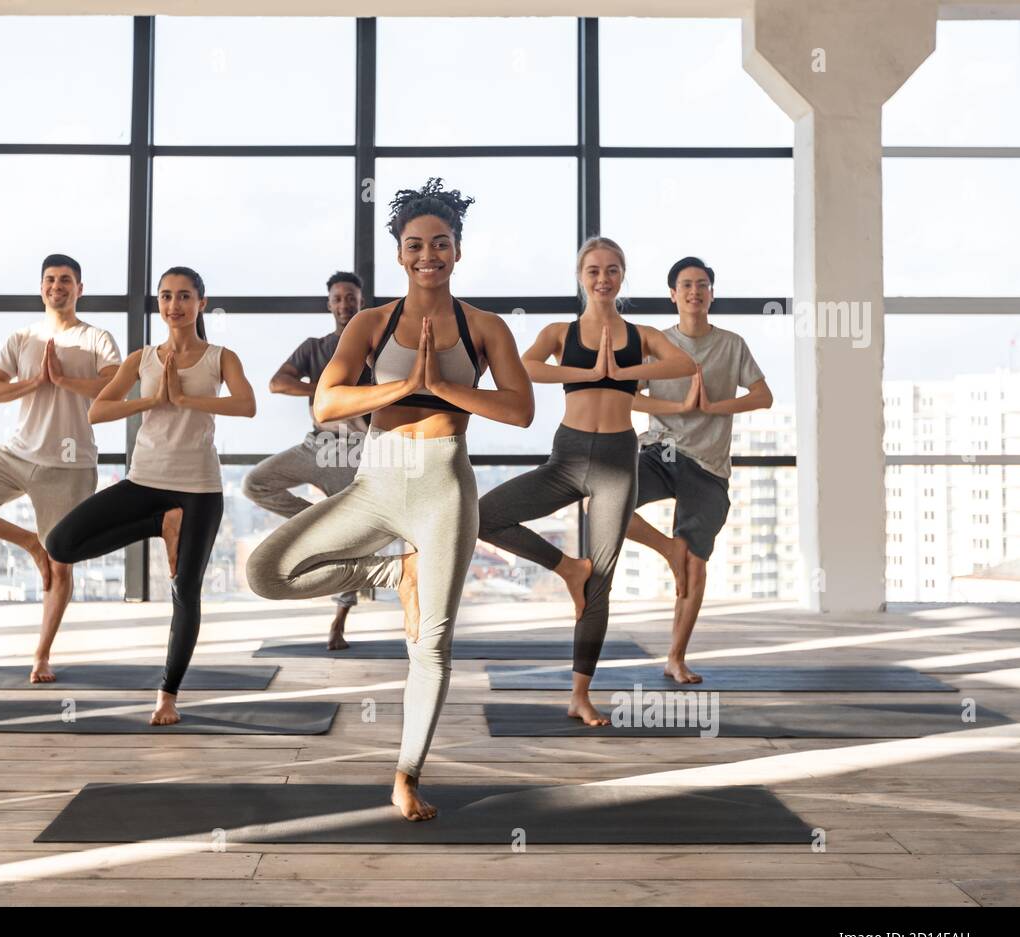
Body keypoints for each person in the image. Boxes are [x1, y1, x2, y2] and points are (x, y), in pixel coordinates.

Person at [246, 178, 533, 821]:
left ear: (457, 251)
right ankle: (390, 569)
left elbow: (519, 409)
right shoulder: (372, 324)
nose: (427, 254)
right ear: (399, 254)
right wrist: (406, 382)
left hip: (443, 485)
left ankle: (406, 774)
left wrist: (444, 389)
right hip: (377, 478)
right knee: (266, 571)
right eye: (414, 245)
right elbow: (326, 400)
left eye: (440, 243)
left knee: (431, 642)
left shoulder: (482, 327)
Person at [477, 237, 696, 726]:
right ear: (581, 275)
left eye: (613, 270)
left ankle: (580, 694)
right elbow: (526, 367)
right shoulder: (561, 331)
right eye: (594, 270)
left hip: (619, 462)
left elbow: (684, 363)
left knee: (602, 582)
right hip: (568, 456)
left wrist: (624, 371)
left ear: (622, 276)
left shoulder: (639, 334)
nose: (603, 278)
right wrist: (587, 369)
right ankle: (564, 567)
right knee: (483, 516)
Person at [46, 267, 256, 725]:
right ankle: (160, 525)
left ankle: (167, 695)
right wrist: (151, 398)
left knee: (186, 590)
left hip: (199, 487)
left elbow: (246, 404)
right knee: (61, 543)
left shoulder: (221, 357)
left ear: (201, 302)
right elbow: (99, 410)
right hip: (145, 480)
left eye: (184, 296)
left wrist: (186, 401)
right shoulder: (141, 359)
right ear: (158, 304)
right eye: (165, 296)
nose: (174, 305)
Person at [0, 253, 121, 683]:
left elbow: (117, 388)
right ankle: (31, 543)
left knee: (62, 564)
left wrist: (66, 380)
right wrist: (35, 382)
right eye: (51, 280)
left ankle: (41, 655)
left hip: (69, 466)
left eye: (67, 280)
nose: (58, 286)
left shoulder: (97, 339)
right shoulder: (22, 338)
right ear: (41, 288)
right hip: (17, 454)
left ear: (79, 289)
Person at [627, 256, 773, 683]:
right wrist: (678, 408)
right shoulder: (656, 343)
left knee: (695, 564)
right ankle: (666, 548)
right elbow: (630, 397)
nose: (695, 291)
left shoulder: (732, 344)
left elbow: (763, 396)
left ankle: (675, 658)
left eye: (703, 284)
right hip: (661, 451)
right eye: (687, 285)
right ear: (673, 294)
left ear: (711, 293)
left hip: (708, 465)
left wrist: (713, 407)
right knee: (602, 503)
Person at [243, 271, 371, 650]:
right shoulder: (314, 347)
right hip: (317, 446)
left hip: (358, 451)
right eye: (338, 298)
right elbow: (277, 382)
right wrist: (322, 389)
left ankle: (339, 620)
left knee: (352, 541)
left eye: (351, 297)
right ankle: (318, 524)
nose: (345, 304)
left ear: (361, 301)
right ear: (329, 304)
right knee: (255, 483)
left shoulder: (375, 345)